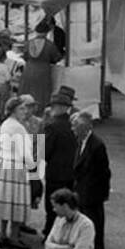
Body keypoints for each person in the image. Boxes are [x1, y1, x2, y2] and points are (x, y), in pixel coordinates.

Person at [0, 96, 36, 249]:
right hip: (15, 165)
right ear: (13, 110)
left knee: (6, 200)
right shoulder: (18, 127)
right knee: (16, 201)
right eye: (21, 108)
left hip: (3, 162)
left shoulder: (6, 124)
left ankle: (2, 234)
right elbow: (25, 151)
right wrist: (32, 164)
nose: (24, 111)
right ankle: (13, 236)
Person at [71, 110, 111, 249]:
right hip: (82, 193)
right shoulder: (81, 142)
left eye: (75, 126)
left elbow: (103, 173)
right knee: (84, 230)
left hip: (92, 196)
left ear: (85, 128)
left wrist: (97, 195)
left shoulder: (97, 146)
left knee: (94, 230)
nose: (72, 129)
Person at [41, 89, 78, 236]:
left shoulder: (52, 126)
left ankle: (50, 232)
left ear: (56, 107)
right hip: (71, 171)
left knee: (53, 206)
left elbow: (46, 151)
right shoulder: (73, 124)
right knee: (68, 204)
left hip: (55, 172)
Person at [18, 17, 62, 111]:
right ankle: (39, 112)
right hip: (43, 71)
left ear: (36, 31)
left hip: (29, 69)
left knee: (27, 90)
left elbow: (25, 56)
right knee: (41, 93)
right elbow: (56, 57)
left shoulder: (28, 43)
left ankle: (24, 110)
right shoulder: (49, 45)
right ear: (46, 33)